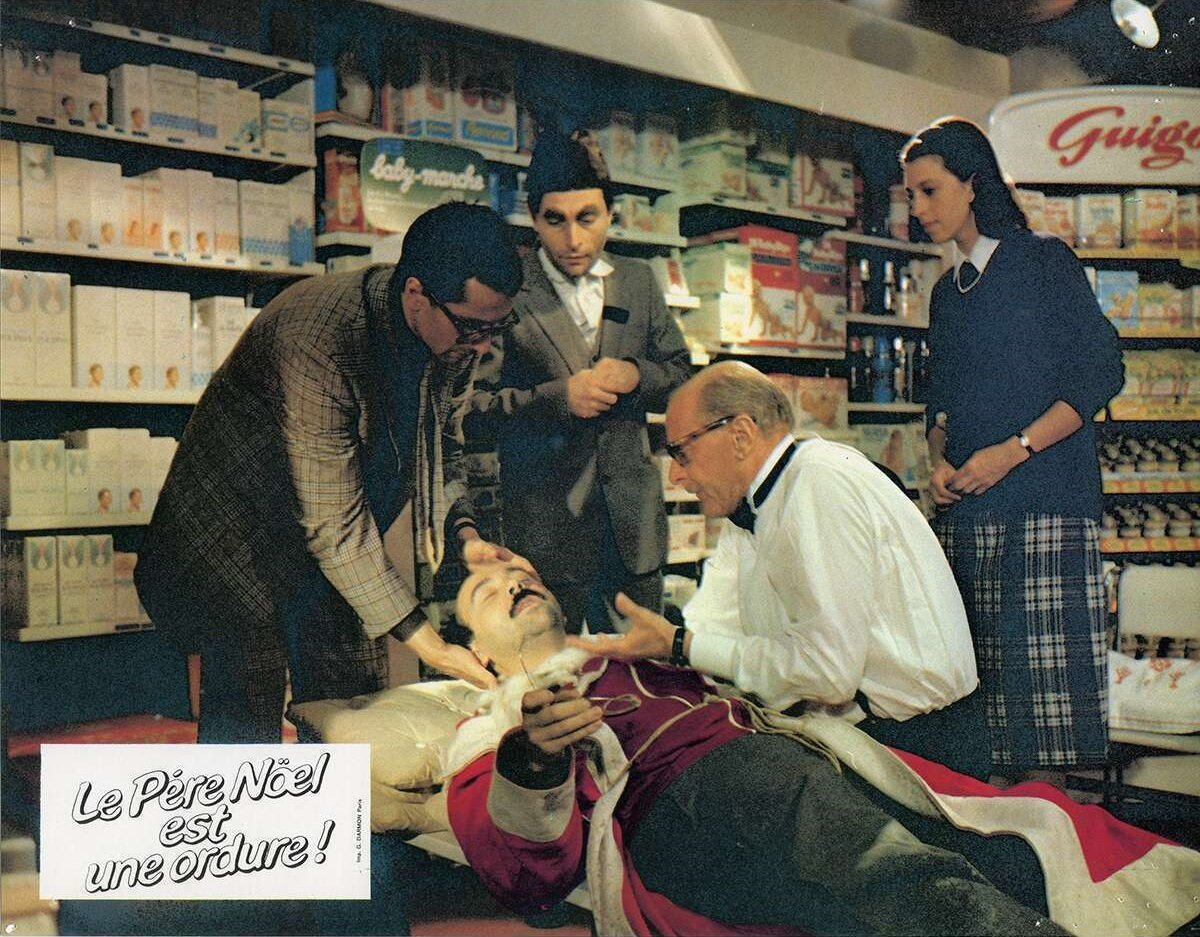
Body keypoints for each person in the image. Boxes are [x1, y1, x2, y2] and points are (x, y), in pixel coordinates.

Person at [444, 563, 1197, 937]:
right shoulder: (493, 719)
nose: (512, 583)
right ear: (475, 654)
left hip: (789, 764)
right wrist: (535, 758)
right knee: (892, 865)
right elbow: (526, 875)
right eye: (487, 593)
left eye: (519, 573)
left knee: (1001, 845)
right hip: (691, 800)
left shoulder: (629, 647)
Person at [135, 202, 528, 743]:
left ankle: (339, 799)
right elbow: (333, 520)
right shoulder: (318, 336)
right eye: (473, 327)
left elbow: (442, 447)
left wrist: (465, 535)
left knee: (355, 700)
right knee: (247, 711)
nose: (483, 345)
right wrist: (432, 646)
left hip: (332, 532)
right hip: (232, 534)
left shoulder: (454, 332)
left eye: (497, 326)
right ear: (417, 295)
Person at [580, 360, 988, 777]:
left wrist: (681, 644)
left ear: (740, 435)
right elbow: (714, 625)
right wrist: (654, 649)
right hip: (864, 734)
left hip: (917, 745)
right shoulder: (752, 506)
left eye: (681, 452)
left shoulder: (818, 485)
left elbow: (827, 673)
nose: (677, 475)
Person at [900, 117, 1124, 774]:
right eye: (911, 195)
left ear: (973, 184)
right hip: (971, 516)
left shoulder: (1042, 261)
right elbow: (940, 402)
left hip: (1046, 509)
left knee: (1042, 726)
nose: (918, 209)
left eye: (930, 190)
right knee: (982, 716)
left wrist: (1012, 450)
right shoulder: (947, 293)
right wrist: (937, 460)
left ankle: (1052, 832)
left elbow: (1100, 375)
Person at [462, 130, 691, 635]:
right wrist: (558, 399)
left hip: (633, 530)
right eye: (555, 220)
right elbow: (471, 407)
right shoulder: (509, 287)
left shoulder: (637, 280)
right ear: (533, 217)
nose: (572, 240)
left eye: (587, 218)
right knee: (551, 668)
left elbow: (682, 375)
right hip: (546, 534)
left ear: (611, 213)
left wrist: (636, 375)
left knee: (641, 667)